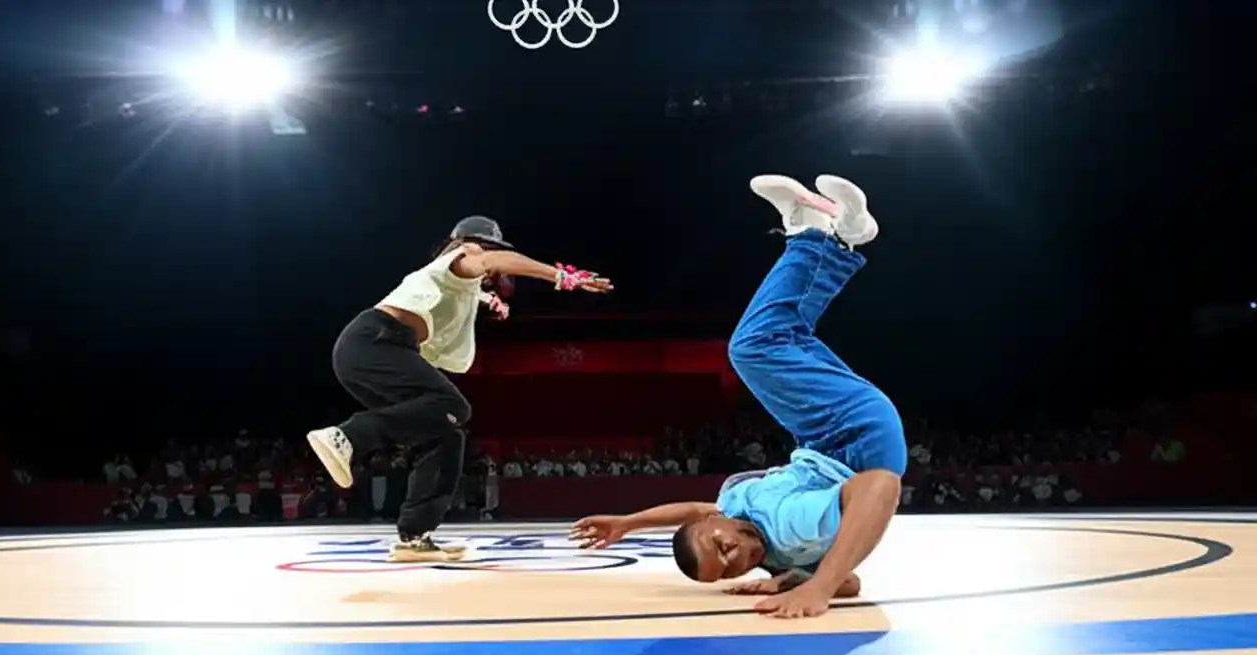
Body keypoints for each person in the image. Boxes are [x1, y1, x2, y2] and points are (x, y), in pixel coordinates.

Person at [571, 175, 904, 618]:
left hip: (821, 435)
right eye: (728, 570)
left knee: (780, 338)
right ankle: (828, 238)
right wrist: (818, 587)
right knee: (755, 347)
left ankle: (820, 234)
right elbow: (881, 485)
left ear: (713, 523)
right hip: (856, 437)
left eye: (719, 548)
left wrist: (628, 523)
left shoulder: (738, 512)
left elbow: (692, 508)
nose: (735, 559)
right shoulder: (787, 531)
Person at [308, 216, 612, 562]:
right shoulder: (465, 254)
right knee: (453, 404)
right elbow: (490, 261)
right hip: (376, 343)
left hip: (374, 351)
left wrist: (487, 301)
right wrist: (560, 276)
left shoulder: (459, 283)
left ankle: (415, 536)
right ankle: (347, 436)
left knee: (445, 432)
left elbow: (465, 290)